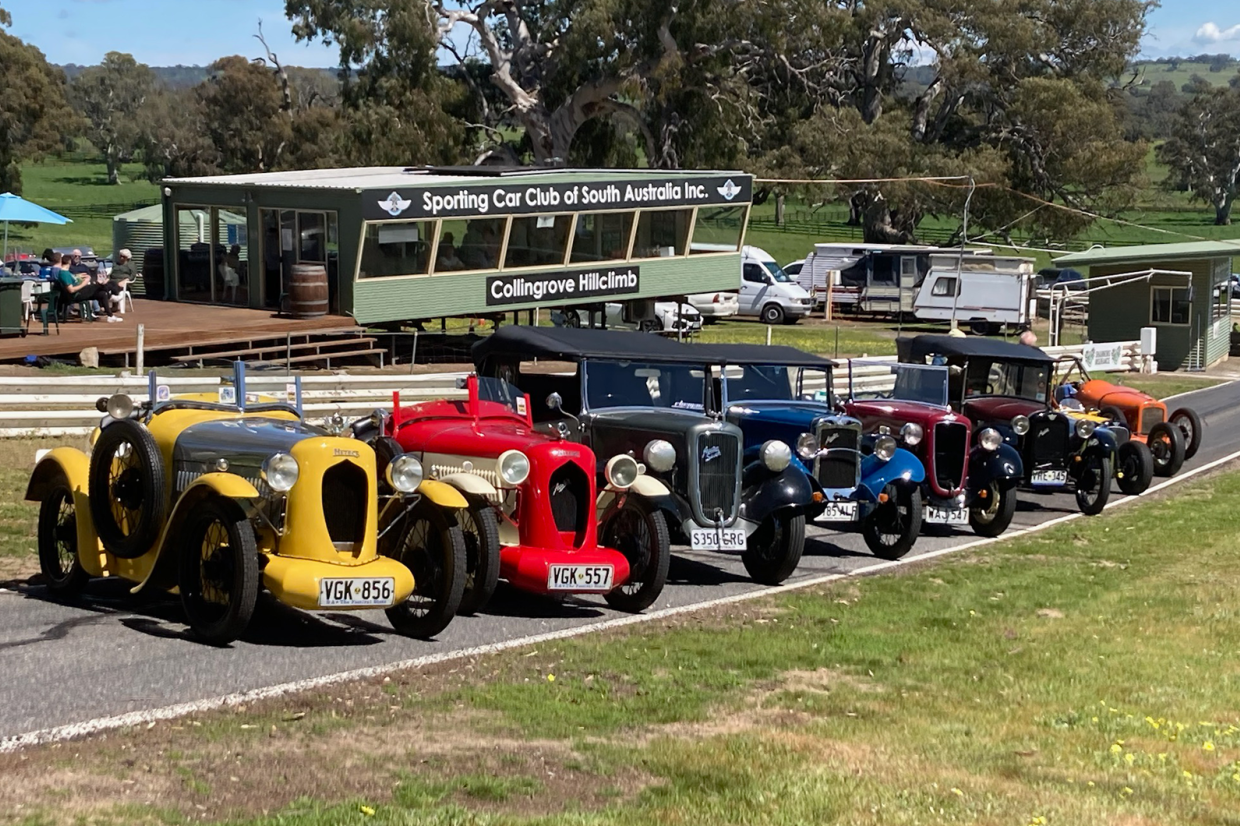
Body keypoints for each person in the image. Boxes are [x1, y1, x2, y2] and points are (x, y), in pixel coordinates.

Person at [54, 254, 124, 322]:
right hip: (76, 295)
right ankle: (114, 293)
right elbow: (71, 290)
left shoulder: (65, 272)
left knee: (102, 293)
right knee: (100, 286)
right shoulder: (64, 273)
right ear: (69, 262)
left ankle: (110, 316)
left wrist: (78, 276)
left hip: (79, 292)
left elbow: (71, 279)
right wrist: (85, 283)